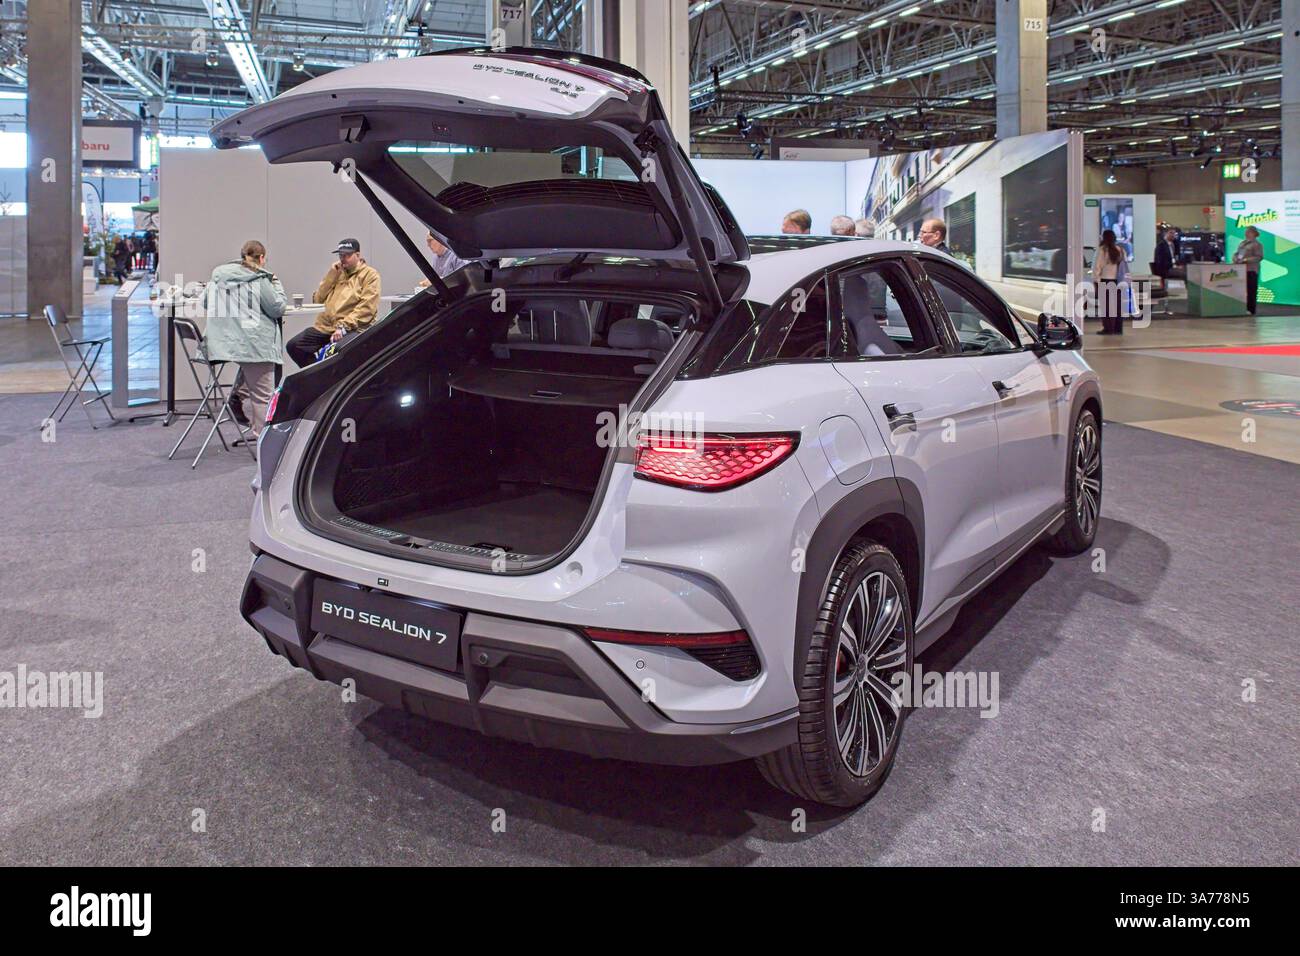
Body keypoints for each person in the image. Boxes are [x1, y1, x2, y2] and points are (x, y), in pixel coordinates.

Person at [202, 240, 286, 438]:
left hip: (222, 344)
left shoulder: (218, 277)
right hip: (253, 344)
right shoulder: (260, 279)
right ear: (262, 258)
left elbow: (205, 303)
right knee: (263, 396)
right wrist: (277, 284)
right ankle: (263, 441)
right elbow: (277, 308)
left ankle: (237, 396)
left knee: (248, 362)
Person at [286, 238, 381, 367]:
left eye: (347, 255)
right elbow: (318, 300)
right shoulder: (337, 273)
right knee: (294, 346)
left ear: (357, 255)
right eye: (340, 255)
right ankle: (316, 378)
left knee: (336, 352)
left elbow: (367, 309)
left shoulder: (370, 275)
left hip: (353, 328)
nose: (343, 259)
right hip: (327, 327)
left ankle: (331, 379)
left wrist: (344, 327)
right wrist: (331, 276)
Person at [1092, 228, 1126, 335]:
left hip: (1105, 281)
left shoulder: (1102, 250)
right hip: (1118, 282)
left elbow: (1097, 267)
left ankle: (1108, 328)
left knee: (1106, 307)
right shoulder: (1120, 250)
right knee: (1117, 306)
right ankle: (1118, 328)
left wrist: (1096, 280)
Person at [1233, 225, 1264, 315]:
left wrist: (1245, 260)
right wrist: (1235, 258)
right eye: (1245, 232)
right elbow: (1237, 253)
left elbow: (1259, 257)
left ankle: (1251, 309)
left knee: (1251, 290)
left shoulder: (1257, 244)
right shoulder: (1242, 243)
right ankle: (1242, 307)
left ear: (1254, 234)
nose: (1246, 233)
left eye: (1248, 232)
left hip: (1251, 270)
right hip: (1240, 270)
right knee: (1241, 290)